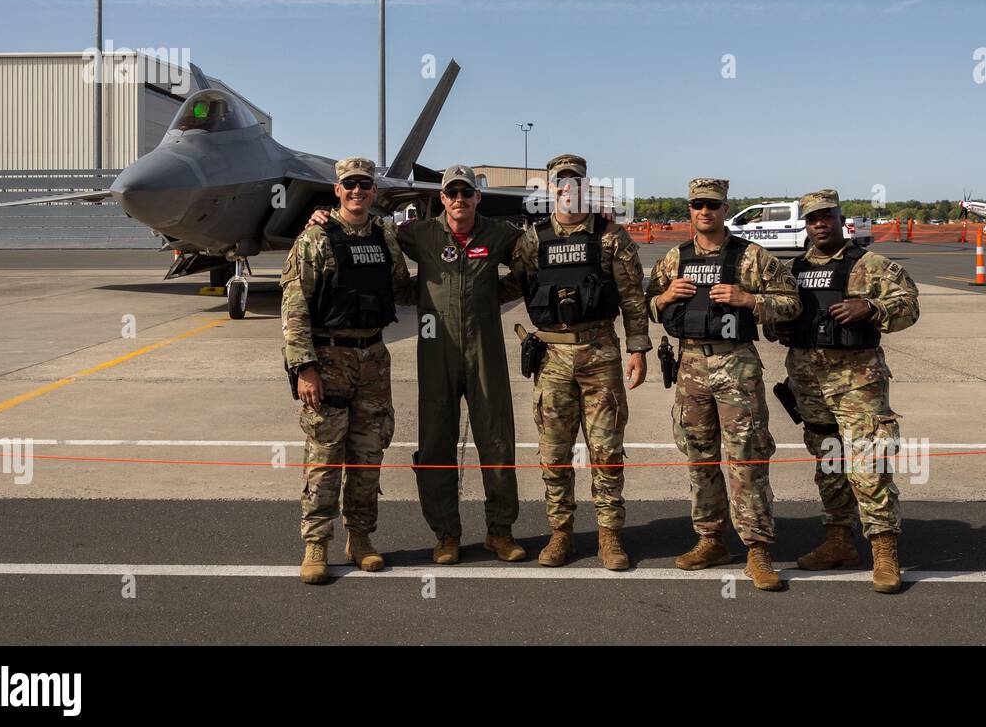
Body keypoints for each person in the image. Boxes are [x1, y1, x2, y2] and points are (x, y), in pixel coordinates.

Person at [307, 164, 526, 565]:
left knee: (496, 441)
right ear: (441, 198)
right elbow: (369, 236)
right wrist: (323, 218)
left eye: (466, 193)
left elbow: (529, 267)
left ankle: (500, 532)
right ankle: (446, 535)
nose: (459, 199)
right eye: (451, 193)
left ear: (478, 197)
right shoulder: (418, 233)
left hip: (485, 353)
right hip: (434, 350)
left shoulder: (499, 234)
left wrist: (493, 293)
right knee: (436, 445)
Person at [645, 177, 800, 592]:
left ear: (723, 208)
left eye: (712, 204)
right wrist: (663, 299)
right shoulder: (673, 259)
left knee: (747, 457)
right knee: (699, 456)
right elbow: (646, 303)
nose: (704, 211)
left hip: (737, 364)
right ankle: (710, 539)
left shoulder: (750, 258)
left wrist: (750, 301)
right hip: (691, 364)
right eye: (697, 204)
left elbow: (792, 301)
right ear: (690, 209)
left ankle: (757, 549)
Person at [506, 154, 650, 570]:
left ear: (586, 187)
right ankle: (561, 533)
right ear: (550, 189)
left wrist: (637, 349)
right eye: (560, 182)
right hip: (551, 357)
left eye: (576, 182)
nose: (568, 188)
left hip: (599, 353)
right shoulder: (534, 238)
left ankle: (609, 535)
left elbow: (631, 298)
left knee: (605, 449)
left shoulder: (610, 237)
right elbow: (512, 281)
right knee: (554, 452)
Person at [775, 189, 919, 594]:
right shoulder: (793, 269)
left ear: (841, 218)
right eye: (812, 218)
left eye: (826, 216)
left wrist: (872, 310)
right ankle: (839, 539)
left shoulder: (871, 266)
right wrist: (778, 328)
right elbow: (778, 314)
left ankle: (884, 550)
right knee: (829, 461)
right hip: (808, 381)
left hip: (857, 382)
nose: (819, 224)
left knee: (870, 462)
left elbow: (909, 305)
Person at [282, 157, 411, 584]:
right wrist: (304, 366)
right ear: (337, 190)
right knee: (323, 455)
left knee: (368, 455)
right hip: (329, 359)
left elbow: (400, 287)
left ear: (375, 191)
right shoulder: (315, 238)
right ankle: (316, 542)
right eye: (350, 185)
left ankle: (360, 538)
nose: (358, 191)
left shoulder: (385, 236)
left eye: (365, 185)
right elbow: (295, 307)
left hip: (373, 357)